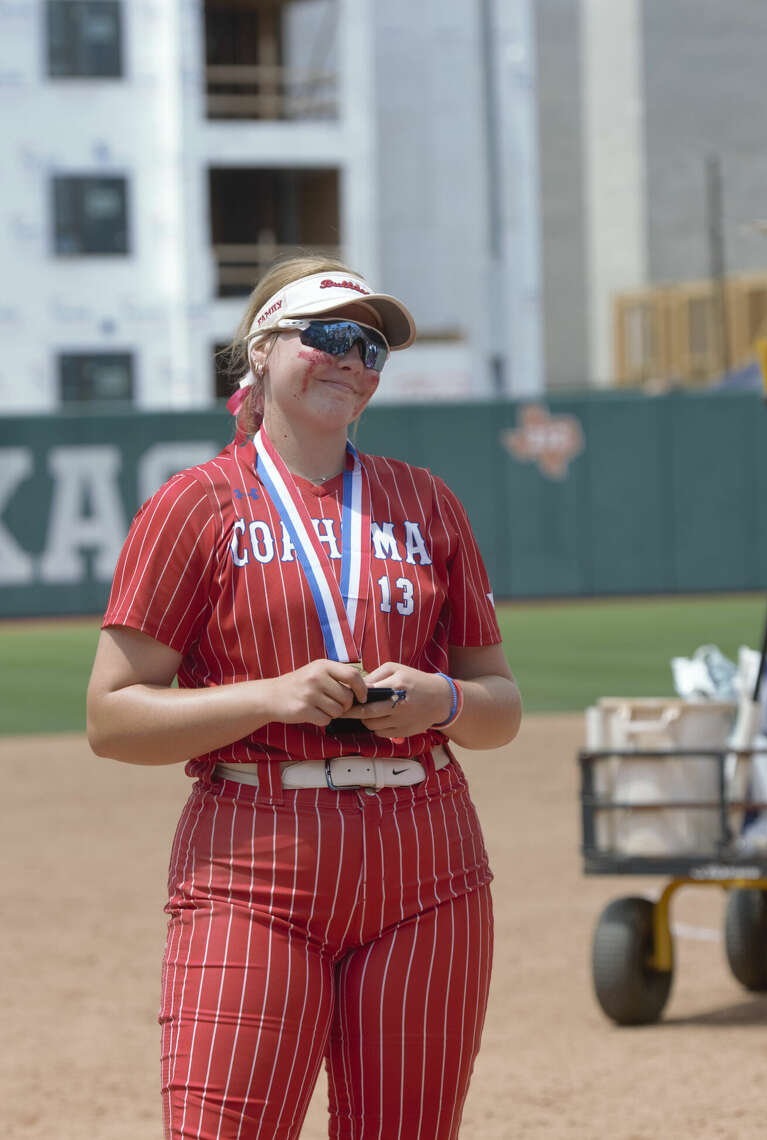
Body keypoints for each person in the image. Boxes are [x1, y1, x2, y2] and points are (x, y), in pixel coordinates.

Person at [86, 256, 521, 1140]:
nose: (353, 361)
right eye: (328, 336)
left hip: (427, 859)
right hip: (253, 862)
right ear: (263, 350)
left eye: (371, 348)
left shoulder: (426, 502)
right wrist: (271, 697)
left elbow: (501, 704)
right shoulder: (193, 505)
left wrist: (442, 699)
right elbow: (113, 715)